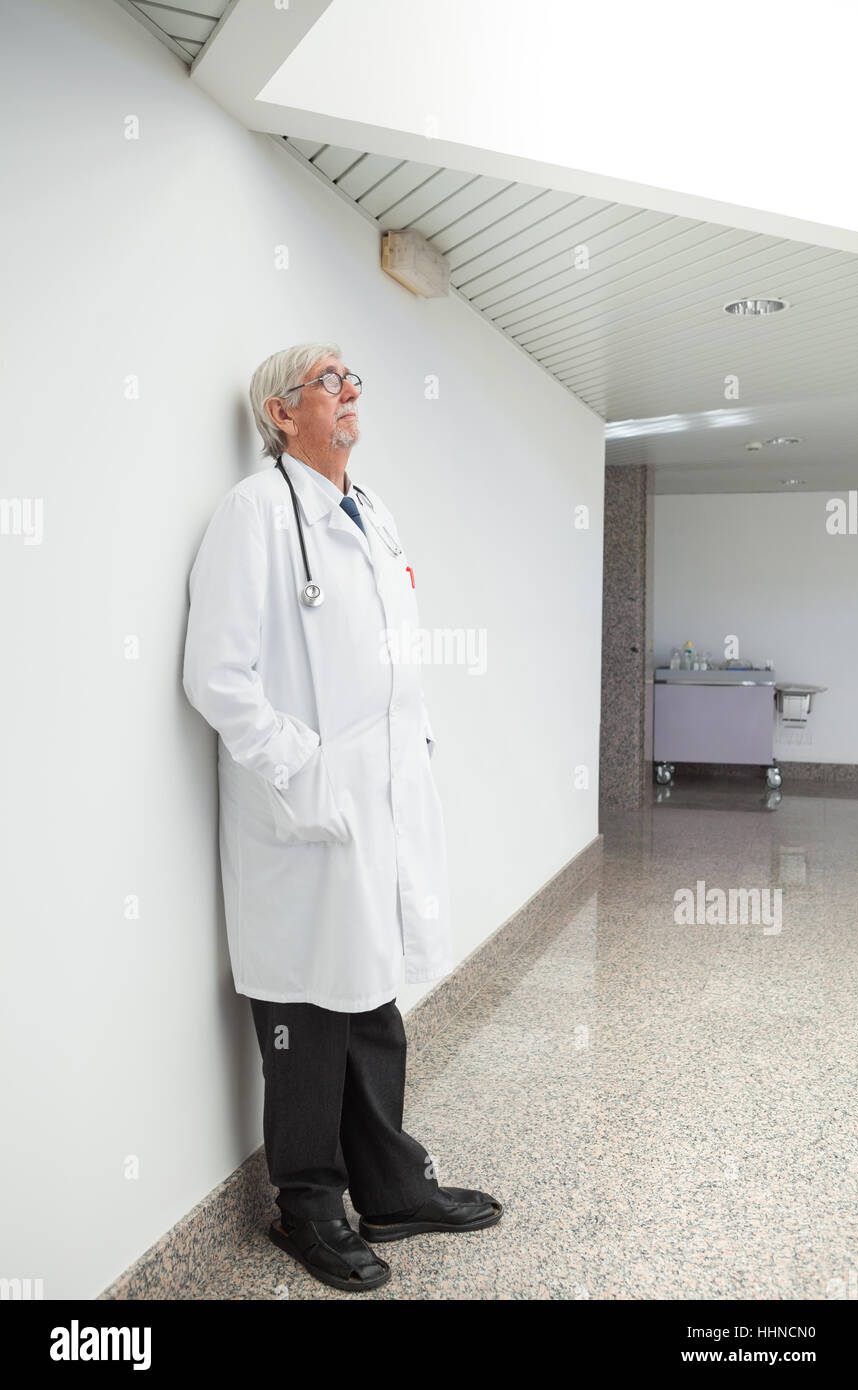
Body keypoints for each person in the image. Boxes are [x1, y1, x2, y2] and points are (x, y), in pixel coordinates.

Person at [182, 342, 502, 1292]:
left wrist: (417, 753)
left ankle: (395, 1189)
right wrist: (306, 772)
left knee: (371, 1003)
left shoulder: (370, 514)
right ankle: (309, 1207)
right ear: (282, 414)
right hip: (307, 813)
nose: (351, 389)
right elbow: (216, 676)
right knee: (304, 1019)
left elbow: (393, 662)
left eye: (355, 376)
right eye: (329, 380)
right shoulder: (254, 514)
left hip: (382, 800)